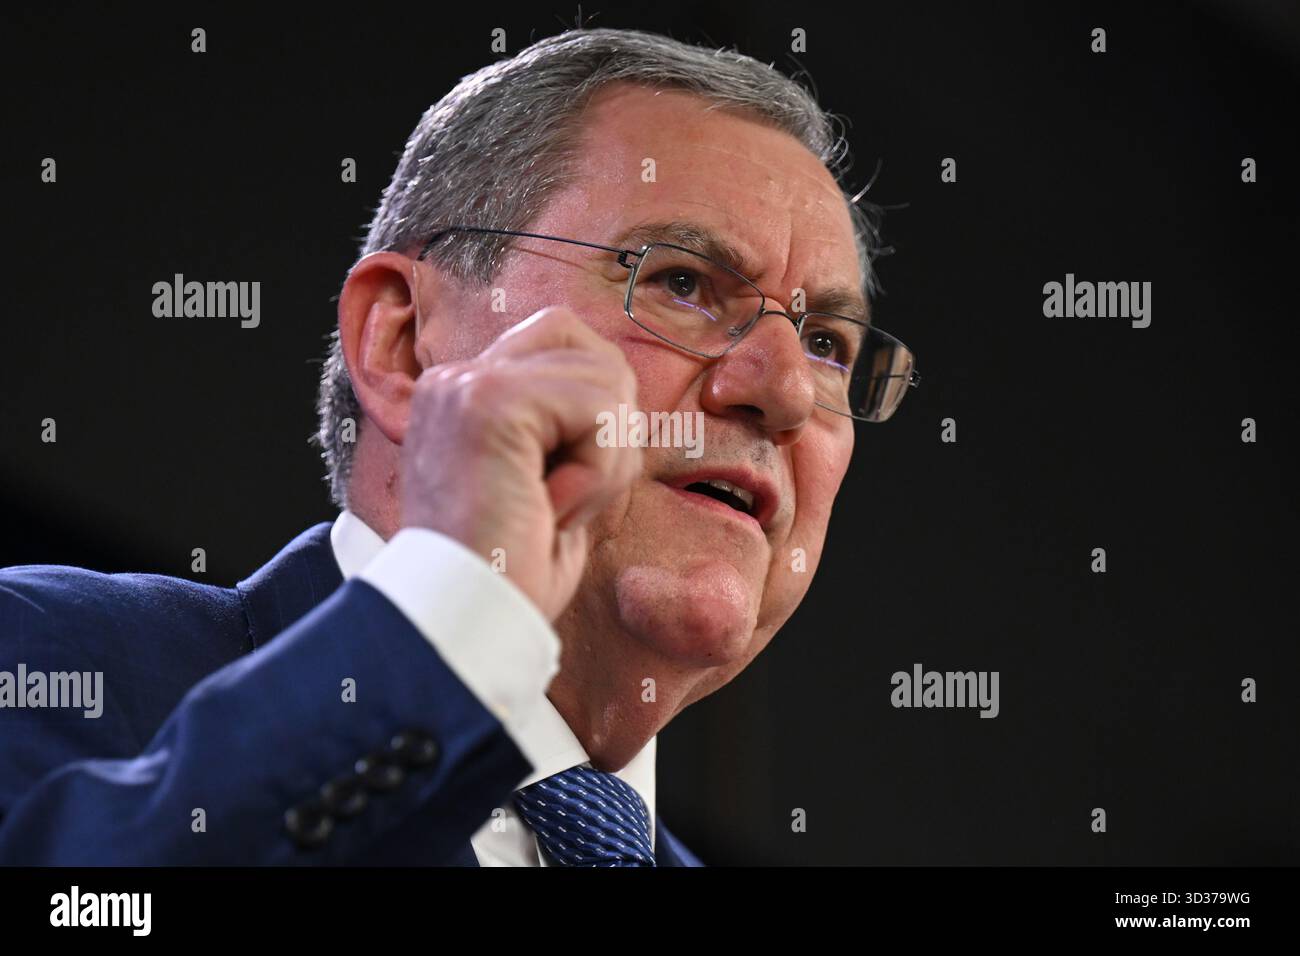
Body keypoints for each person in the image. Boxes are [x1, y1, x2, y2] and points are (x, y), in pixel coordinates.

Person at [0, 27, 917, 866]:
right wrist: (457, 620)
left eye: (828, 344)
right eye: (681, 282)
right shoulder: (50, 661)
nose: (786, 390)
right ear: (401, 343)